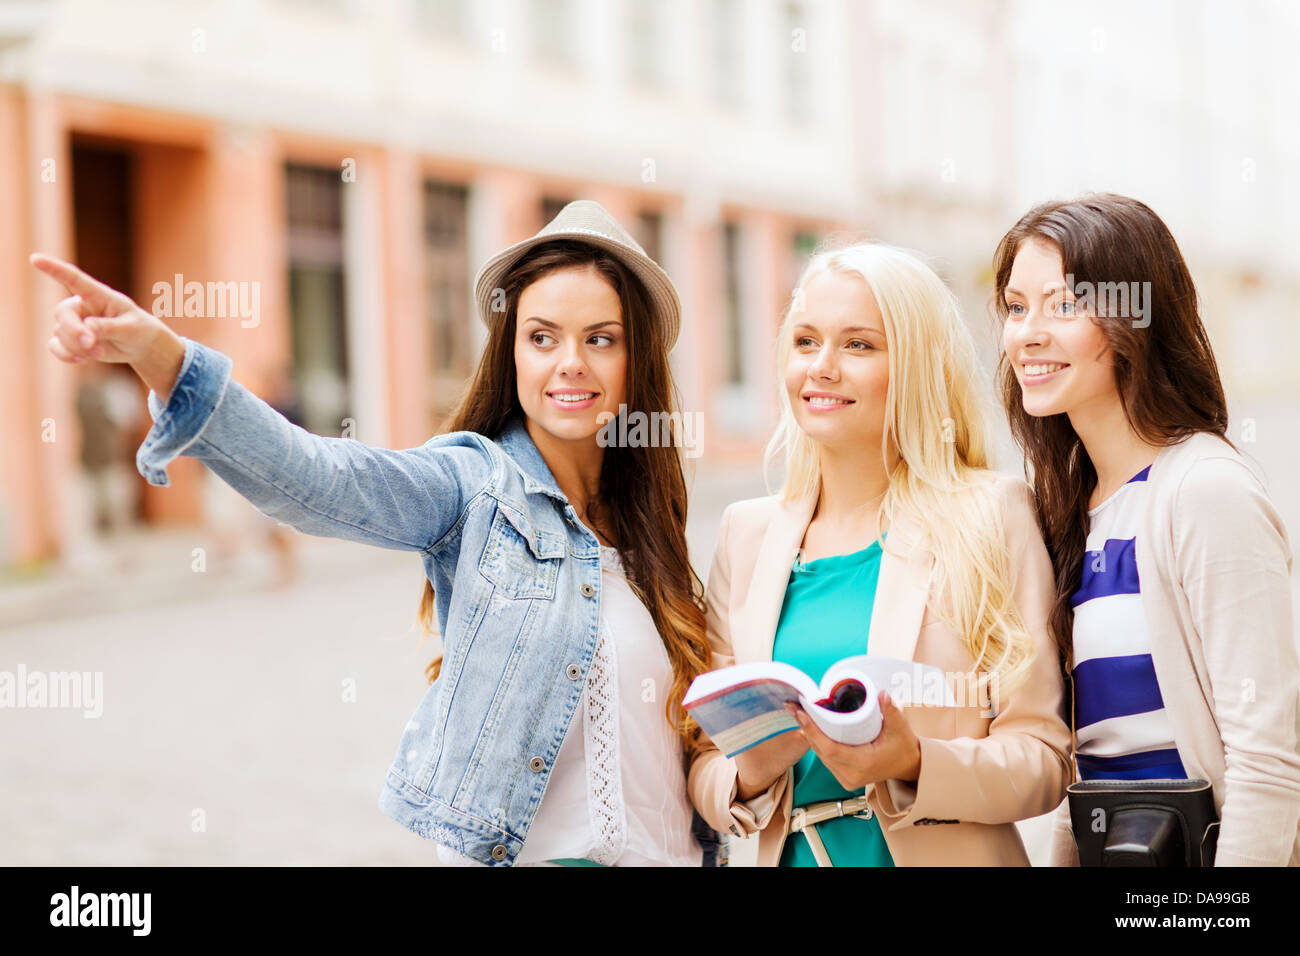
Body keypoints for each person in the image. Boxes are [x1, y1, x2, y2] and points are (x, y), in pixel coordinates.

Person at [33, 199, 714, 867]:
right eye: (542, 336)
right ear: (513, 355)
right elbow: (321, 477)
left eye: (601, 337)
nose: (570, 361)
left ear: (636, 361)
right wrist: (163, 356)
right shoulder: (475, 487)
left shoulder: (654, 527)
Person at [687, 241, 1071, 865]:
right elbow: (704, 758)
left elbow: (1044, 758)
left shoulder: (992, 514)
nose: (821, 368)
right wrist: (748, 775)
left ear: (915, 365)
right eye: (806, 341)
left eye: (858, 344)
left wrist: (916, 761)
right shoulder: (745, 534)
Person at [993, 192, 1300, 866]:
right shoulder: (1070, 511)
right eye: (1017, 307)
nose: (1027, 333)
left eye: (1064, 305)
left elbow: (1268, 765)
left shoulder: (1205, 490)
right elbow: (1094, 764)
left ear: (1137, 318)